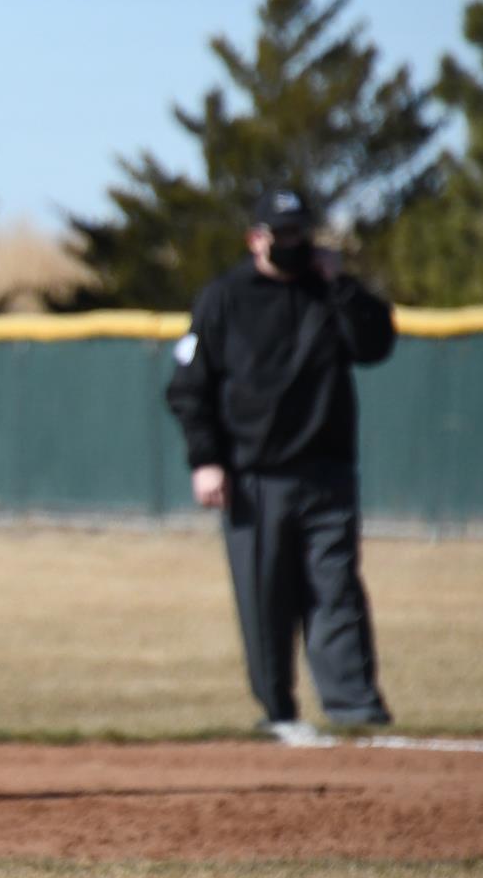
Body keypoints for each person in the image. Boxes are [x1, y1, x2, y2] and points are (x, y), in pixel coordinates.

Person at [165, 187, 396, 738]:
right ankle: (279, 713)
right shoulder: (223, 298)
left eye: (300, 233)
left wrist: (341, 283)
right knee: (265, 601)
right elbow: (188, 388)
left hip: (327, 473)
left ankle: (353, 709)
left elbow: (375, 345)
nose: (293, 244)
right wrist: (206, 460)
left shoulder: (330, 295)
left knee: (335, 590)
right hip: (253, 478)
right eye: (282, 234)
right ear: (256, 238)